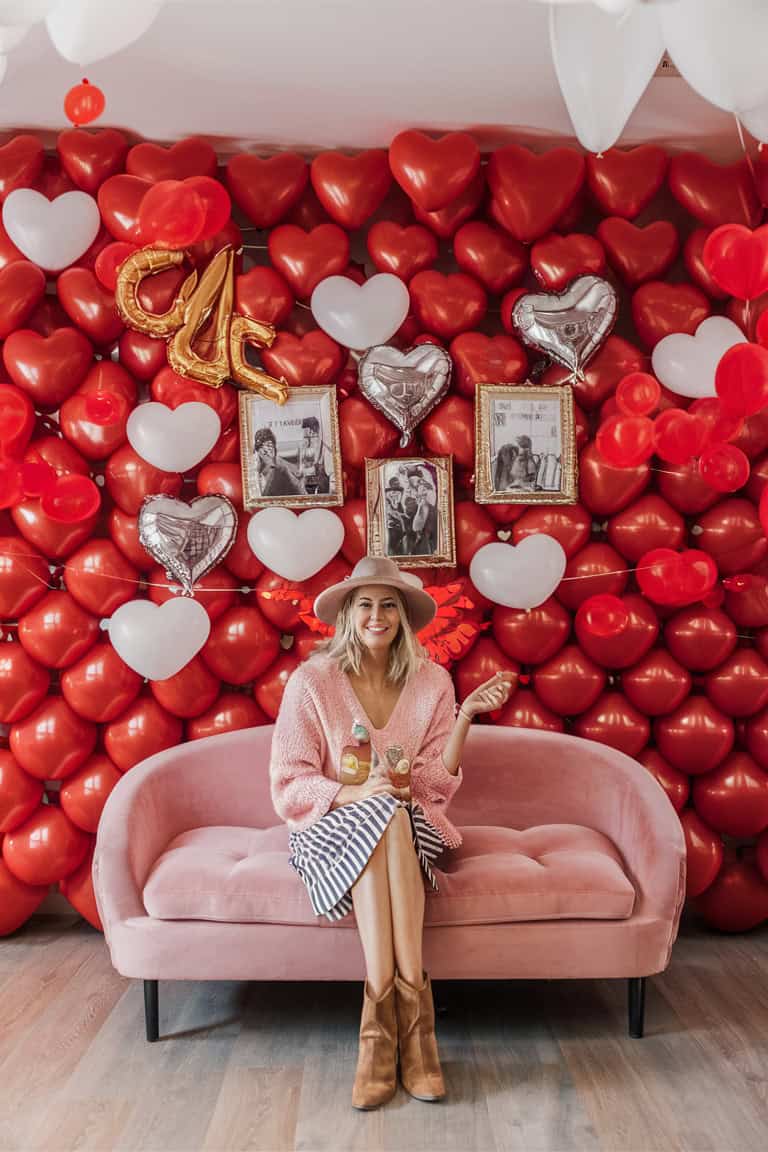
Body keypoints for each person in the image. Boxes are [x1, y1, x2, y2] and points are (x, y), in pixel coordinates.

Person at [269, 556, 513, 1109]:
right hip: (328, 828)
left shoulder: (432, 681)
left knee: (396, 815)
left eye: (388, 605)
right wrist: (359, 793)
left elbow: (431, 786)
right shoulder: (313, 682)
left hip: (408, 827)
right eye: (365, 605)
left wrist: (468, 716)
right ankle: (411, 1033)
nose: (376, 615)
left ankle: (381, 1035)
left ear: (403, 617)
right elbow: (290, 781)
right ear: (348, 615)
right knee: (386, 815)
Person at [253, 427, 305, 497]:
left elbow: (301, 492)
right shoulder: (256, 469)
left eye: (269, 446)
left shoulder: (281, 468)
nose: (266, 450)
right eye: (261, 447)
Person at [299, 416, 330, 495]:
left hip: (320, 479)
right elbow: (301, 464)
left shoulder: (322, 444)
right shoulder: (304, 444)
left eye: (305, 430)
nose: (304, 433)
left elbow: (318, 461)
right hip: (308, 480)